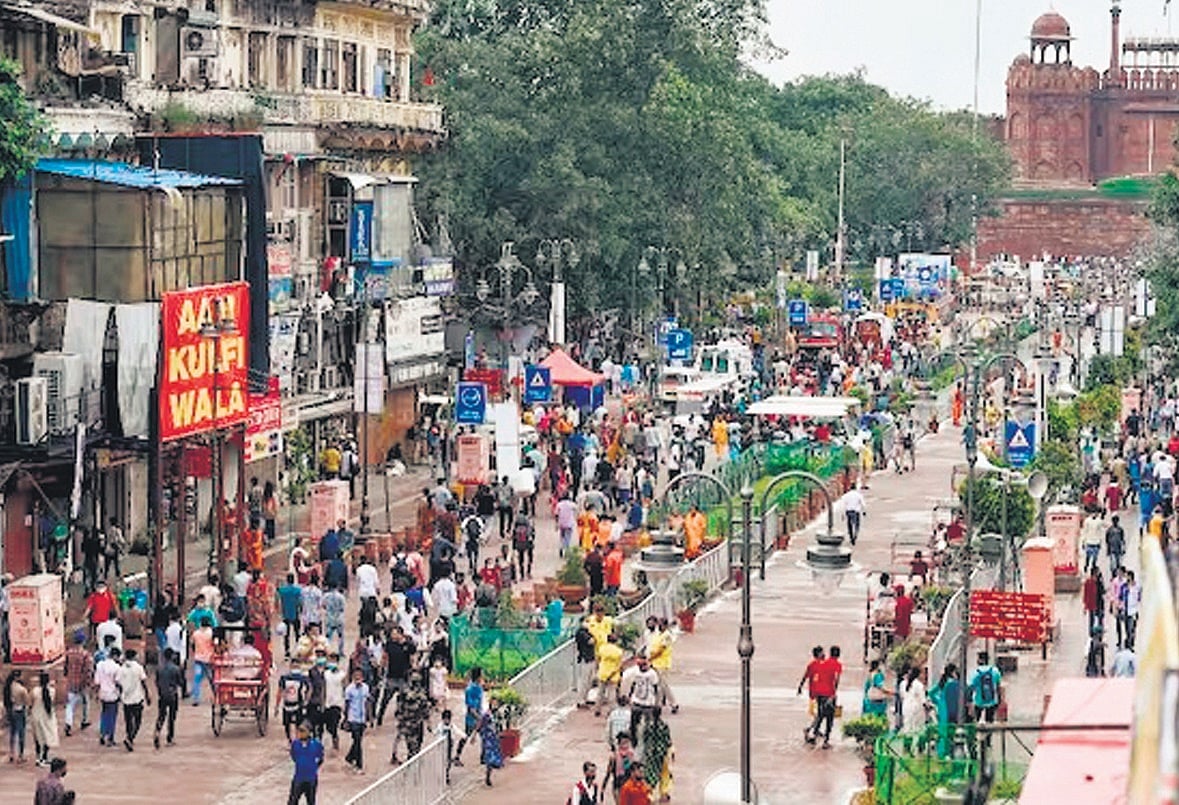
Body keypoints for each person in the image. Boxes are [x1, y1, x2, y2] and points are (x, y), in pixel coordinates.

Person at [798, 645, 838, 749]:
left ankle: (813, 730)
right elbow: (835, 680)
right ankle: (813, 731)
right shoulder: (818, 664)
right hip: (822, 693)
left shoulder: (818, 664)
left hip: (817, 693)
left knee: (821, 714)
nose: (824, 654)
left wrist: (800, 687)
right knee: (824, 715)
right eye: (822, 652)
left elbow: (806, 676)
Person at [117, 648, 150, 751]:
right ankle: (130, 737)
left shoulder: (121, 668)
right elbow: (144, 682)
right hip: (137, 698)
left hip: (126, 698)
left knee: (128, 721)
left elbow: (118, 682)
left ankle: (129, 736)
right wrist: (147, 695)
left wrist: (122, 691)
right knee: (138, 720)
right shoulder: (139, 668)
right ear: (134, 656)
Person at [62, 631, 92, 737]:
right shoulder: (85, 654)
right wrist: (88, 682)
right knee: (85, 702)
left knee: (70, 705)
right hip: (82, 682)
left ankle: (68, 724)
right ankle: (84, 720)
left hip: (71, 682)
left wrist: (67, 676)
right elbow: (88, 670)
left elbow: (65, 668)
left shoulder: (69, 653)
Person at [641, 707, 674, 802]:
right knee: (664, 773)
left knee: (650, 773)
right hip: (661, 753)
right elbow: (668, 741)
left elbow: (645, 738)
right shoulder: (664, 726)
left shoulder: (648, 726)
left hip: (650, 754)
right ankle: (663, 793)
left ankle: (649, 793)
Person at [153, 647, 183, 749]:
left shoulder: (159, 668)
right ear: (172, 656)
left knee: (161, 715)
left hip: (162, 694)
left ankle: (157, 731)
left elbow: (156, 682)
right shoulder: (176, 668)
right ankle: (170, 738)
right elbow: (180, 682)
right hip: (172, 694)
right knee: (171, 717)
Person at [289, 721, 325, 805]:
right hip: (298, 778)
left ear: (309, 732)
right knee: (292, 801)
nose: (300, 733)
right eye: (299, 730)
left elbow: (320, 758)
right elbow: (293, 756)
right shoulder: (295, 744)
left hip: (311, 779)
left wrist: (313, 767)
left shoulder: (316, 744)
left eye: (303, 731)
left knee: (311, 801)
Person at [94, 645, 123, 746]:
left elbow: (97, 682)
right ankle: (110, 737)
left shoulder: (100, 665)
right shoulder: (116, 667)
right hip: (112, 693)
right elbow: (118, 682)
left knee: (104, 714)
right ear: (115, 656)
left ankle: (102, 733)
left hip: (102, 692)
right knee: (112, 716)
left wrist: (96, 694)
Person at [454, 667, 484, 763]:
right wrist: (479, 717)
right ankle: (457, 756)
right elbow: (471, 707)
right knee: (467, 736)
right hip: (472, 718)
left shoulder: (479, 688)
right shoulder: (471, 689)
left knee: (484, 736)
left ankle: (483, 757)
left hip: (478, 715)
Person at [343, 668, 370, 773]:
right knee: (358, 741)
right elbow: (347, 704)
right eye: (356, 675)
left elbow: (367, 703)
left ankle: (349, 757)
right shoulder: (349, 689)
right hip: (353, 718)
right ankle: (359, 765)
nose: (358, 677)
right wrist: (346, 719)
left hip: (362, 719)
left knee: (357, 741)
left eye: (359, 675)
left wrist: (370, 717)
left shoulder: (366, 688)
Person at [29, 671, 58, 767]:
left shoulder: (35, 691)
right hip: (47, 716)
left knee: (38, 738)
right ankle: (44, 757)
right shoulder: (52, 691)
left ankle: (38, 758)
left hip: (36, 715)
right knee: (47, 738)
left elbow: (30, 702)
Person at [278, 661, 310, 741]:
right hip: (287, 705)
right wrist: (277, 705)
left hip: (298, 704)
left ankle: (297, 740)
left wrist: (306, 700)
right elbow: (280, 691)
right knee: (286, 724)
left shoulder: (303, 678)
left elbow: (309, 688)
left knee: (299, 724)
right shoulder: (284, 678)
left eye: (297, 666)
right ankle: (290, 740)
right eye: (294, 666)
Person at [595, 633, 624, 718]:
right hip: (614, 674)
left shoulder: (602, 649)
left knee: (600, 692)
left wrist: (598, 668)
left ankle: (598, 709)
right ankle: (611, 710)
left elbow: (598, 659)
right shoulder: (618, 651)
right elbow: (620, 664)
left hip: (603, 673)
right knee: (612, 693)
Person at [968, 651, 1002, 723]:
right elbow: (998, 687)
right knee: (989, 722)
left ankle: (977, 731)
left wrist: (969, 702)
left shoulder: (976, 672)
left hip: (979, 701)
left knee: (976, 721)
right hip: (992, 701)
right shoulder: (995, 671)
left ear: (980, 660)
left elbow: (971, 688)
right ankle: (989, 733)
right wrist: (999, 700)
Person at [83, 580, 119, 645]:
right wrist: (85, 616)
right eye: (98, 587)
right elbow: (89, 607)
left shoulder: (110, 595)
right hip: (96, 619)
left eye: (102, 587)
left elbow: (115, 606)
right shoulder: (93, 596)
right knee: (97, 634)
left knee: (105, 635)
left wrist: (118, 615)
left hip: (106, 620)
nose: (100, 589)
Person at [190, 617, 216, 706]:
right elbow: (215, 644)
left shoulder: (196, 633)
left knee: (197, 679)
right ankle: (216, 695)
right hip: (209, 659)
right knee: (212, 679)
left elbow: (192, 644)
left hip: (198, 658)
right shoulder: (211, 633)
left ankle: (196, 699)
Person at [477, 705, 503, 787]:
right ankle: (488, 776)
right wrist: (474, 735)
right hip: (487, 738)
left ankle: (489, 772)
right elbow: (479, 724)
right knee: (489, 758)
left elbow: (498, 726)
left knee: (493, 757)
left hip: (494, 738)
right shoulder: (486, 715)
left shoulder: (497, 715)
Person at [575, 618, 598, 708]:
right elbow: (591, 641)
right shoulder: (581, 633)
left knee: (590, 680)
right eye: (587, 621)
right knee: (584, 680)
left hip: (591, 658)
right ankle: (581, 700)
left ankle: (586, 698)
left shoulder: (587, 632)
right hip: (585, 659)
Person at [899, 666, 928, 736]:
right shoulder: (919, 685)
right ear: (919, 674)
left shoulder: (903, 683)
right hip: (917, 708)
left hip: (906, 707)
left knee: (907, 727)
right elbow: (923, 700)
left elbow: (902, 696)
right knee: (918, 729)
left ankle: (906, 744)